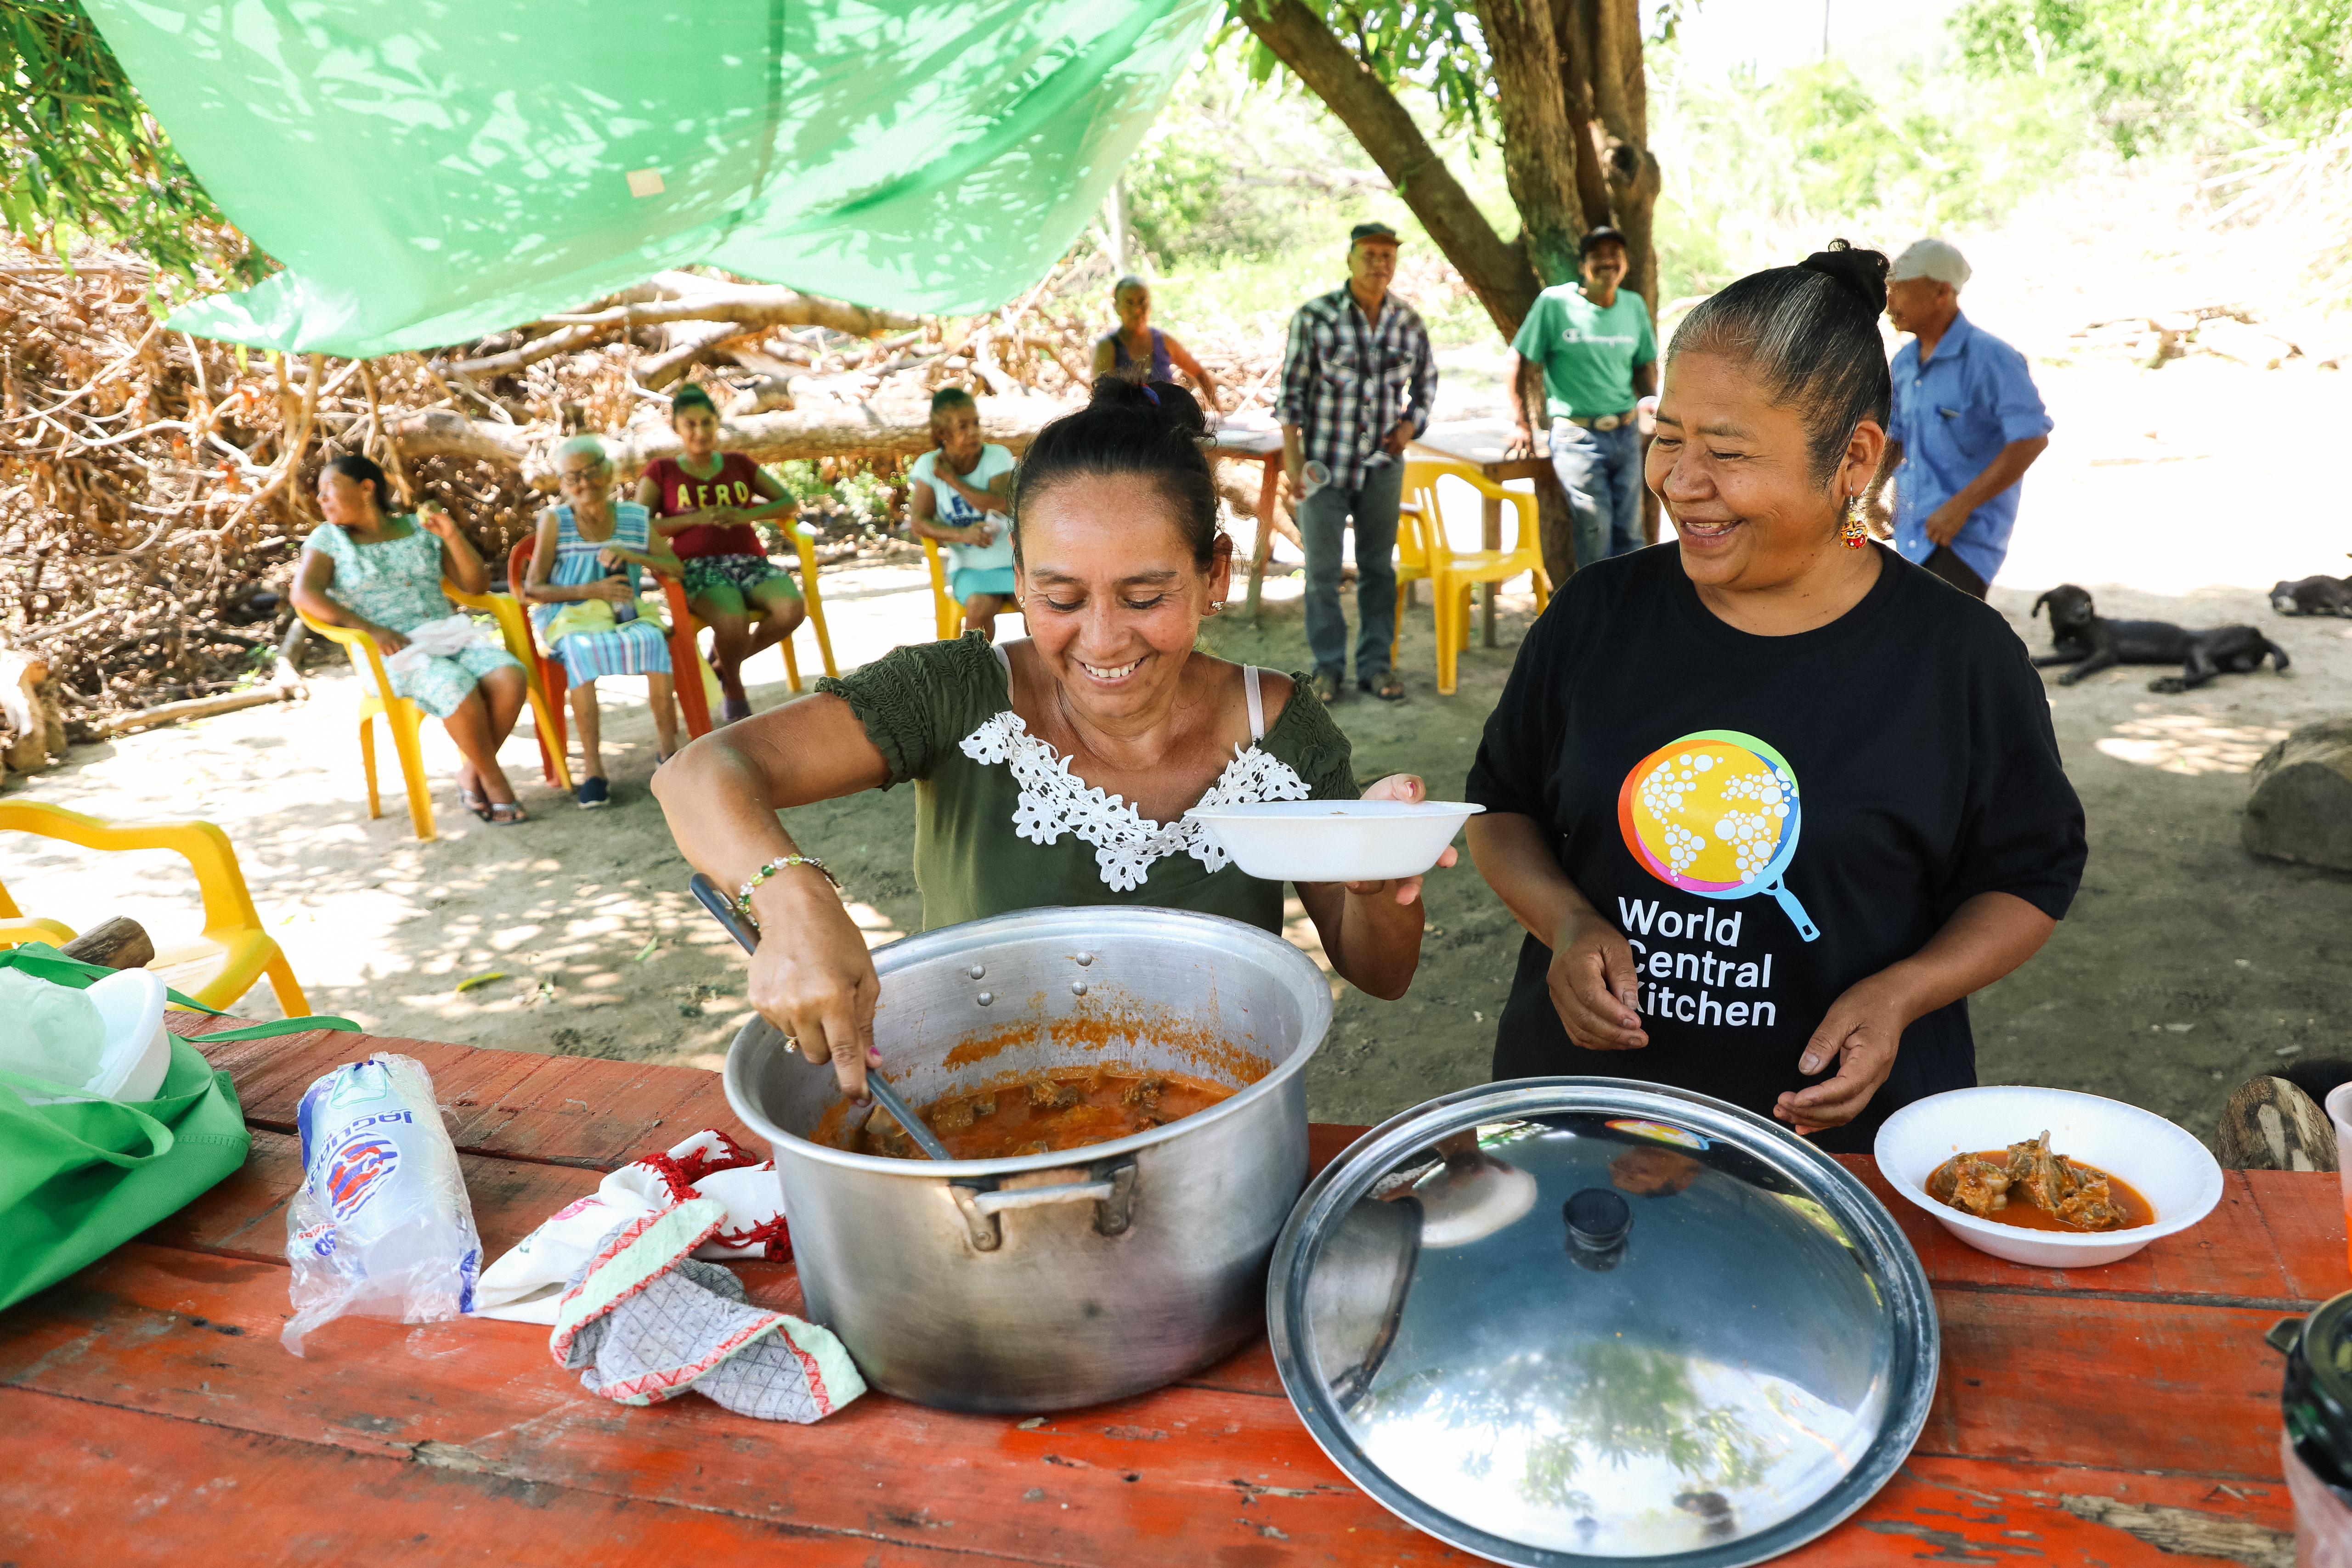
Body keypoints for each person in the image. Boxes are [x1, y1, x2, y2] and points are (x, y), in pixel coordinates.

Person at [654, 378, 1445, 1099]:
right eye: (1059, 596)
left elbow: (1383, 970)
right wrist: (792, 897)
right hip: (977, 1119)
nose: (1102, 640)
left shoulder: (1280, 728)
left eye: (1145, 595)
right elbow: (699, 772)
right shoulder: (954, 694)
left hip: (1219, 1130)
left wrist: (1377, 879)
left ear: (1215, 576)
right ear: (1020, 578)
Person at [1463, 241, 2086, 1152]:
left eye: (1726, 452)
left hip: (1834, 1149)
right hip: (1584, 1129)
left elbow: (2027, 877)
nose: (1679, 482)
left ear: (1855, 460)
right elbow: (1503, 806)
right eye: (1667, 435)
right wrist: (1566, 922)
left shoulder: (1959, 660)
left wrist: (1902, 991)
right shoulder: (1597, 616)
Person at [293, 453, 534, 824]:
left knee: (509, 675)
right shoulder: (329, 540)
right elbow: (305, 595)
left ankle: (471, 773)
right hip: (390, 653)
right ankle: (496, 782)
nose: (322, 500)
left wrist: (450, 534)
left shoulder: (419, 528)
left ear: (367, 488)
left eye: (329, 490)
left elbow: (476, 585)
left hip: (447, 636)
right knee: (455, 685)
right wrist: (371, 630)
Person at [1278, 220, 1437, 705]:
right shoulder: (1316, 317)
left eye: (1387, 255)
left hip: (1381, 468)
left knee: (1377, 570)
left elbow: (1426, 384)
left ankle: (1375, 667)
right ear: (1349, 259)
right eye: (1369, 255)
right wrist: (1291, 459)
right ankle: (1326, 670)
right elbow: (1291, 394)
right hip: (1324, 466)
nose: (1378, 264)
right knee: (1322, 574)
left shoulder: (1407, 322)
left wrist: (1409, 428)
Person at [1866, 238, 2052, 600]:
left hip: (1963, 538)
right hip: (1913, 529)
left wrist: (1960, 507)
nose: (1890, 302)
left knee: (1940, 639)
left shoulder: (1991, 359)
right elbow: (1897, 434)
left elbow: (2031, 439)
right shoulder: (1905, 365)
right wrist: (1874, 495)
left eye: (1901, 289)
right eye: (1889, 290)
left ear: (1941, 293)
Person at [520, 434, 685, 807]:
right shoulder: (555, 520)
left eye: (592, 472)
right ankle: (594, 769)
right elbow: (534, 589)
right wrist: (591, 590)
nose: (583, 484)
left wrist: (632, 554)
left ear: (609, 472)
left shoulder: (634, 517)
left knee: (653, 640)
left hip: (623, 614)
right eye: (572, 477)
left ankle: (667, 751)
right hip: (569, 618)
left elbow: (675, 568)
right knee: (582, 652)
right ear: (562, 484)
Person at [636, 384, 807, 723]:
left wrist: (746, 515)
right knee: (732, 621)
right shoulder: (663, 471)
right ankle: (734, 686)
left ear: (717, 424)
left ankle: (723, 665)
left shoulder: (738, 464)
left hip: (749, 561)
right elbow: (637, 527)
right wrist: (693, 519)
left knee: (792, 609)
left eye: (707, 423)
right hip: (696, 567)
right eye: (691, 425)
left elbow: (789, 502)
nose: (700, 432)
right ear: (678, 429)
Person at [1505, 226, 1659, 573]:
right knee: (1595, 534)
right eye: (1597, 254)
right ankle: (1595, 624)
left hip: (1625, 433)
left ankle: (1630, 623)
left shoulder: (1633, 305)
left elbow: (1644, 365)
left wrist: (1651, 405)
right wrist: (1522, 425)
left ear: (1626, 263)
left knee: (1632, 537)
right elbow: (1517, 361)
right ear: (1582, 265)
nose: (1607, 261)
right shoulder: (1555, 303)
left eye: (1615, 254)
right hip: (1577, 438)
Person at [906, 387, 1019, 642]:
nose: (974, 432)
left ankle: (1044, 676)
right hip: (970, 569)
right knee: (979, 610)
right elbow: (919, 523)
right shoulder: (927, 465)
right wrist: (962, 534)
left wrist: (952, 481)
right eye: (963, 427)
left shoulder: (997, 456)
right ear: (942, 434)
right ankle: (976, 678)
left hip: (1015, 565)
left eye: (976, 424)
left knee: (1036, 610)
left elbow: (1001, 503)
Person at [1091, 275, 1223, 412]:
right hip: (1127, 427)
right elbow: (1102, 399)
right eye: (1129, 302)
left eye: (1143, 301)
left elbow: (1199, 373)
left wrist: (1217, 410)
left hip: (1168, 426)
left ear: (1150, 304)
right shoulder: (1107, 347)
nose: (1137, 310)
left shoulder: (1164, 341)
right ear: (1116, 307)